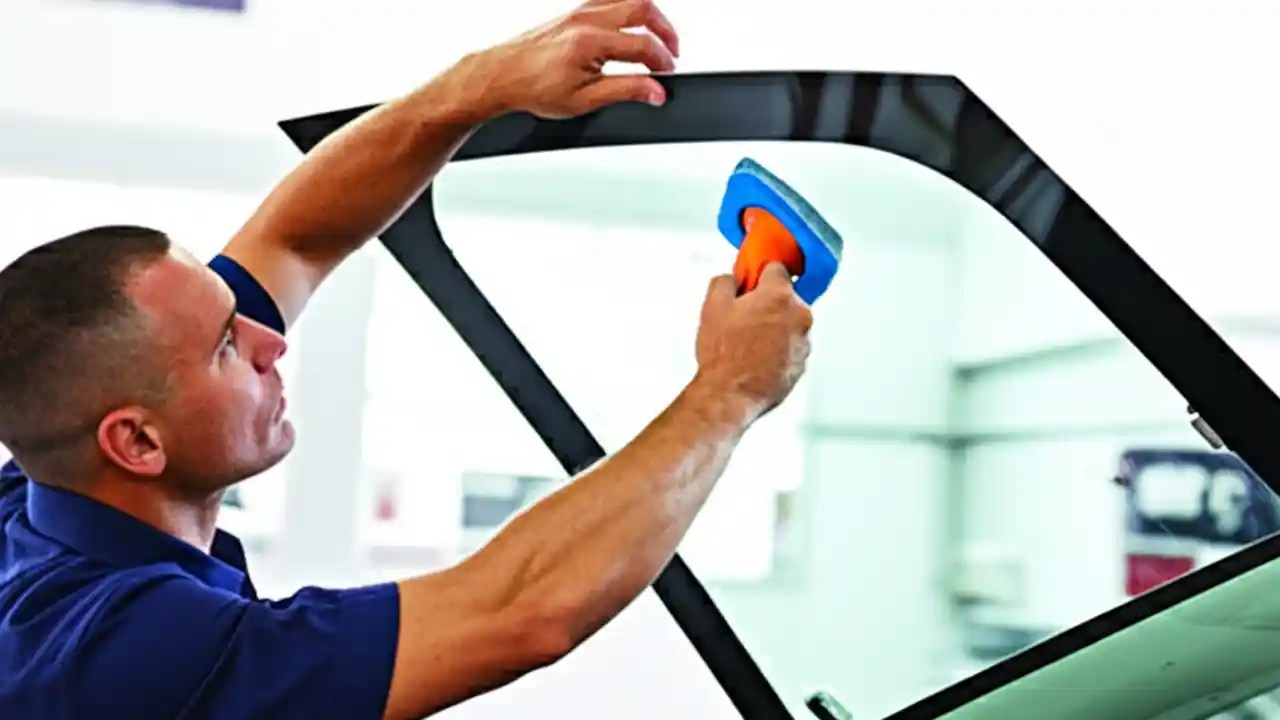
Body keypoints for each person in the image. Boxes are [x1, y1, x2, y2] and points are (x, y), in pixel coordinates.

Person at [0, 1, 813, 718]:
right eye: (226, 347)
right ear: (136, 443)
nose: (270, 338)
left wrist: (487, 82)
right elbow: (522, 611)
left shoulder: (41, 493)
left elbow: (296, 239)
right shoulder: (116, 656)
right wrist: (727, 393)